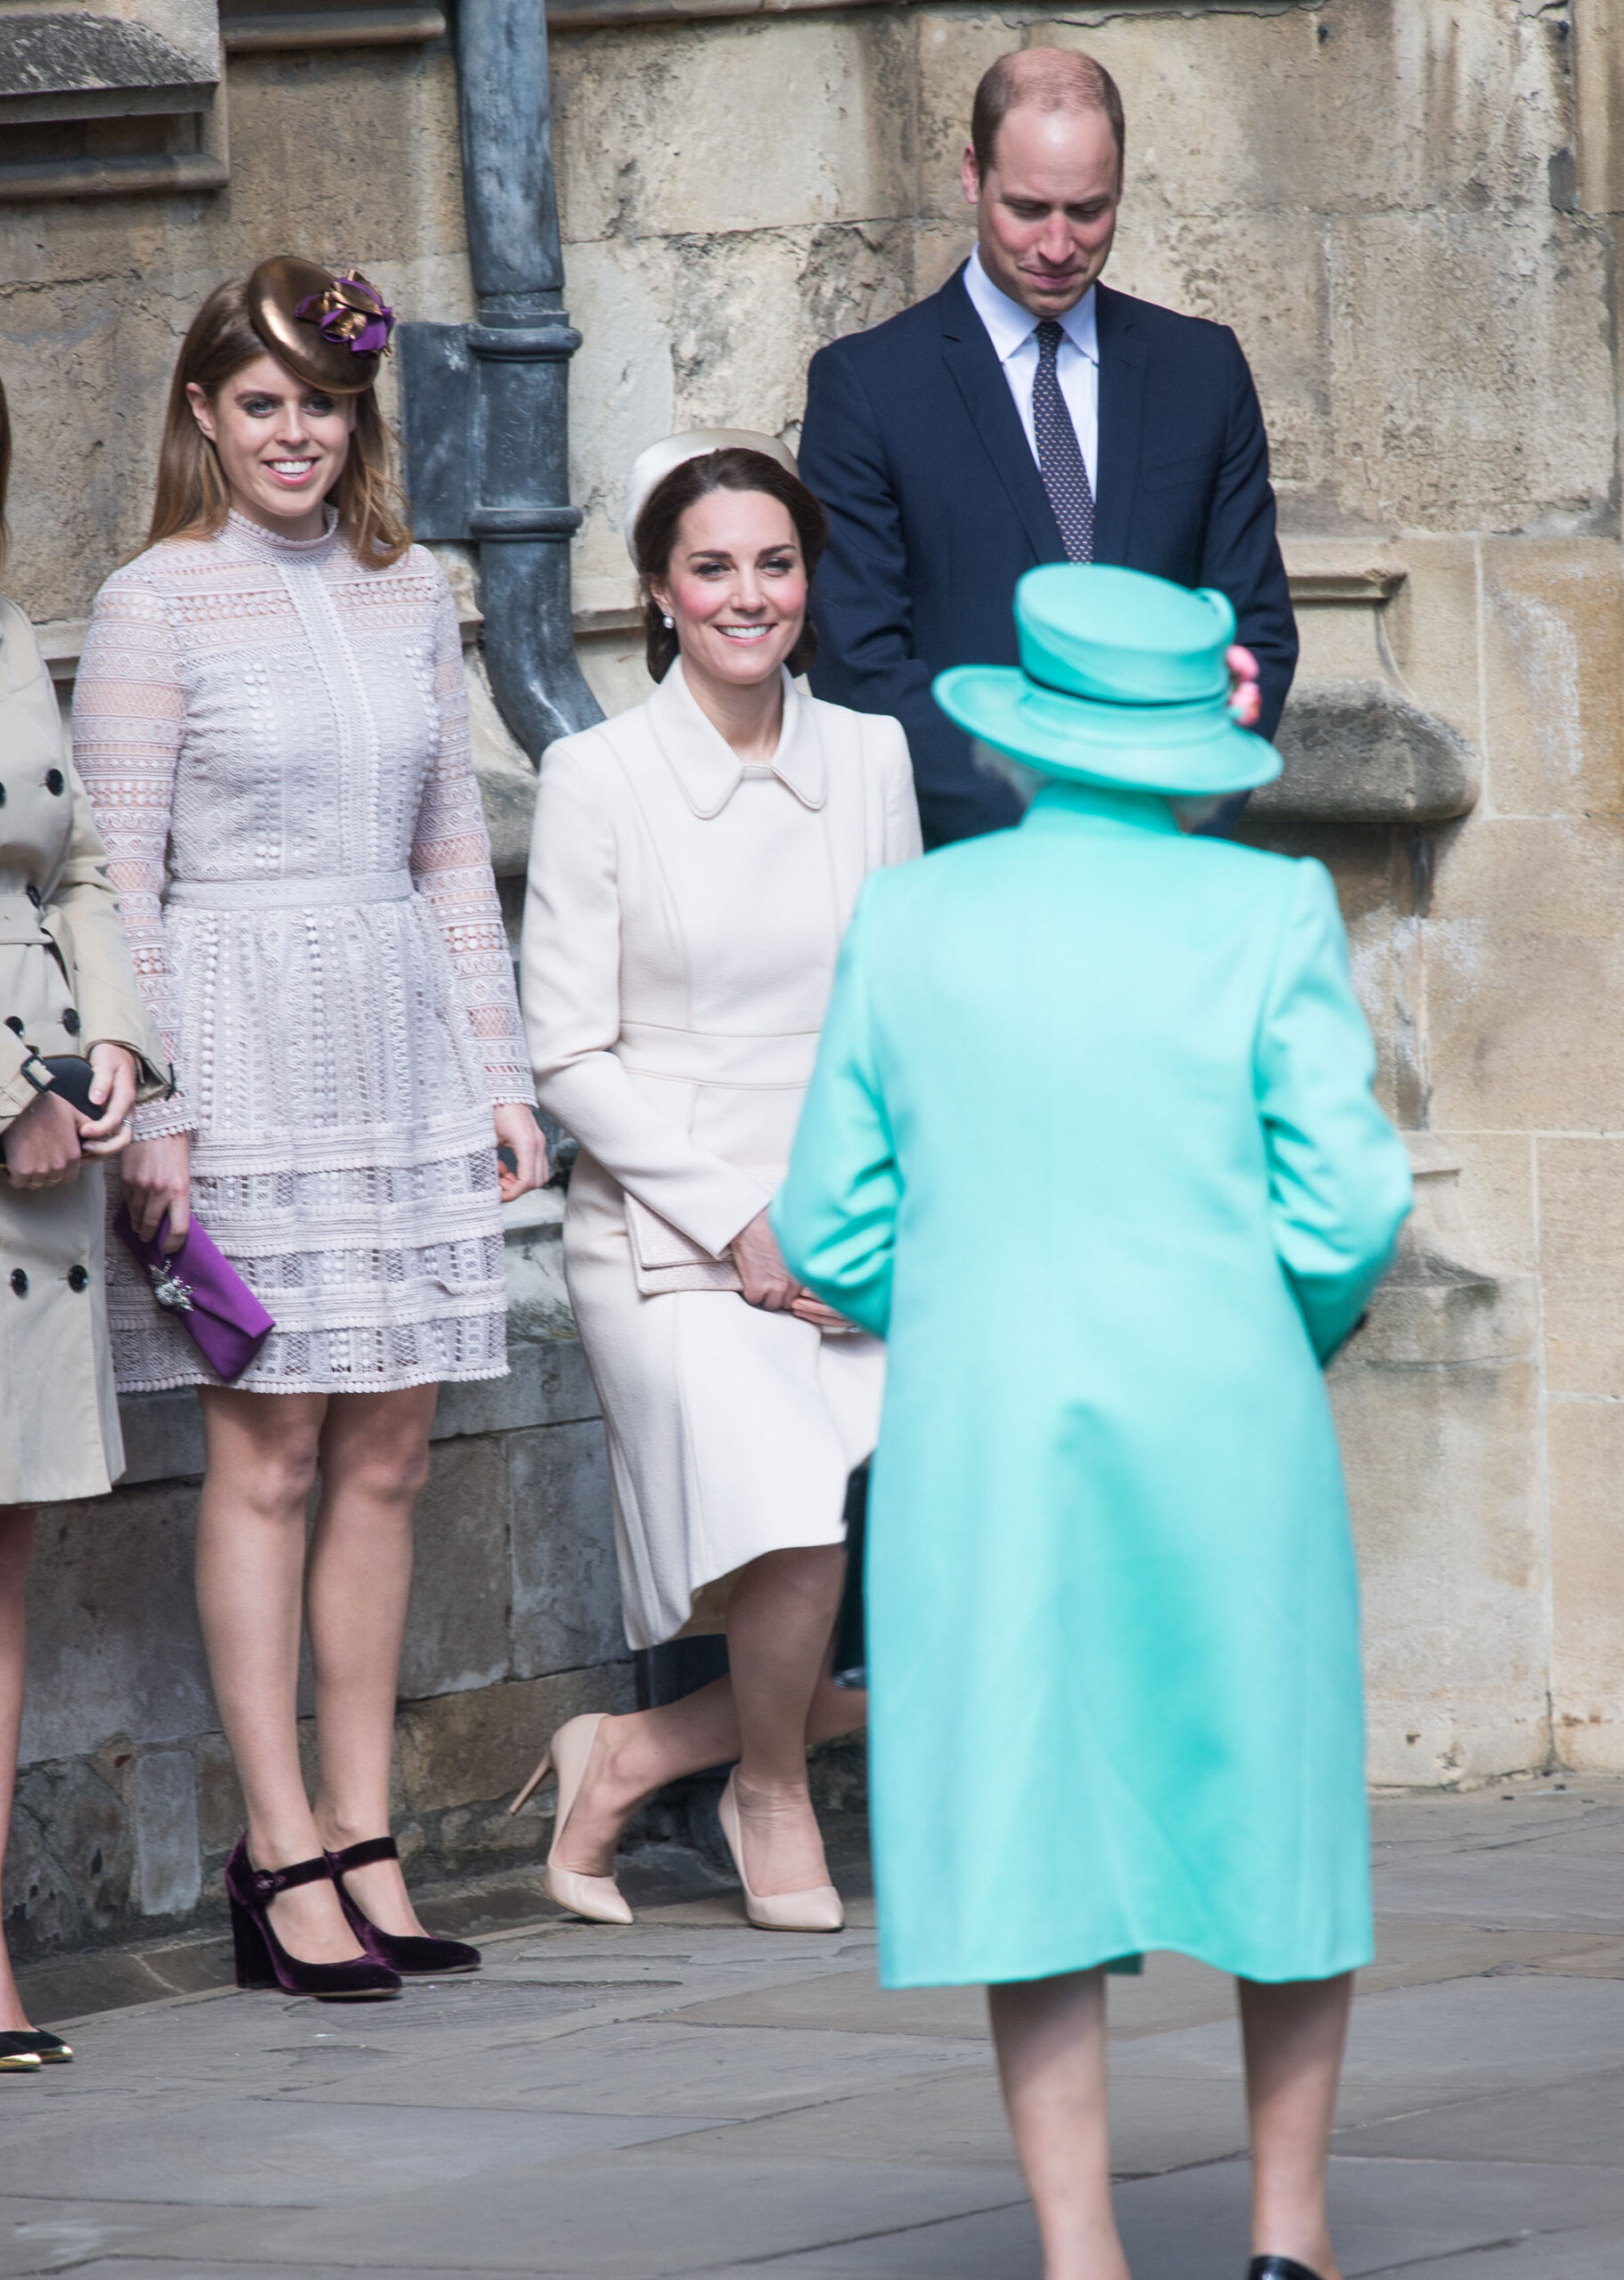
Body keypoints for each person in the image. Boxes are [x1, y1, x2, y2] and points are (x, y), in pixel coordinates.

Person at [774, 563, 1412, 2280]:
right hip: (1224, 1415)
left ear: (1023, 741)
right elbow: (1346, 1205)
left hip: (987, 1436)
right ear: (1184, 748)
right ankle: (1288, 2237)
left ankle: (1078, 2254)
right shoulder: (1267, 913)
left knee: (1021, 1818)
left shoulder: (910, 922)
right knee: (1268, 1799)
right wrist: (1258, 1326)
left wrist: (977, 1309)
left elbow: (828, 1219)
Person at [72, 259, 547, 2001]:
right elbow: (116, 872)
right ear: (204, 410)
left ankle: (366, 1830)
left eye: (322, 402)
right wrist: (157, 1108)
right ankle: (274, 1846)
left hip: (400, 1037)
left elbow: (445, 854)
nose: (293, 431)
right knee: (266, 1445)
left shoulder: (408, 584)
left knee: (390, 1446)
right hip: (242, 1039)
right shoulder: (155, 601)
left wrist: (499, 1077)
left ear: (359, 419)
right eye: (260, 399)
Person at [516, 434, 920, 1930]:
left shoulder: (868, 758)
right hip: (664, 1232)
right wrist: (740, 1221)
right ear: (657, 593)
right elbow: (566, 1051)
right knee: (799, 1516)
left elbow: (895, 1011)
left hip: (841, 1214)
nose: (746, 595)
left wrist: (846, 1214)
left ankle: (626, 1758)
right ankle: (763, 1791)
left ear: (806, 584)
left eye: (772, 563)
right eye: (711, 568)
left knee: (966, 1556)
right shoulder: (595, 776)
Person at [799, 46, 1295, 850]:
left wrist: (1161, 812)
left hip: (1167, 859)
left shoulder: (1201, 372)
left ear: (1121, 184)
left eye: (1087, 210)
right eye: (1027, 209)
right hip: (965, 866)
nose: (1058, 246)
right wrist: (1053, 831)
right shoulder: (867, 387)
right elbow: (860, 664)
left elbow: (1253, 631)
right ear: (971, 175)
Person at [0, 376, 170, 2068]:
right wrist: (16, 1091)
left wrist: (112, 1039)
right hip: (10, 1133)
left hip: (49, 1152)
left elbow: (78, 862)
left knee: (6, 1568)